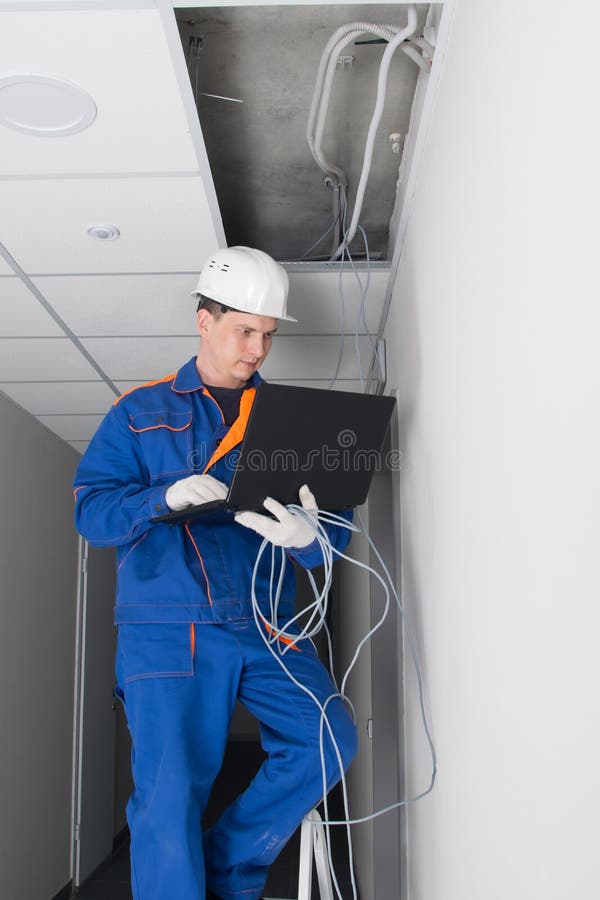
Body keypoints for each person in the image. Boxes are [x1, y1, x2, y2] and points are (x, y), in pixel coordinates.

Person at [73, 246, 358, 900]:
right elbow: (92, 512)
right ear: (205, 320)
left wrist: (308, 537)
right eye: (245, 330)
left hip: (266, 621)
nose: (258, 349)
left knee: (327, 739)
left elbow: (332, 530)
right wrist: (160, 499)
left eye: (268, 335)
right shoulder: (139, 414)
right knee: (169, 796)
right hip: (169, 626)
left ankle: (223, 871)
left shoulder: (290, 422)